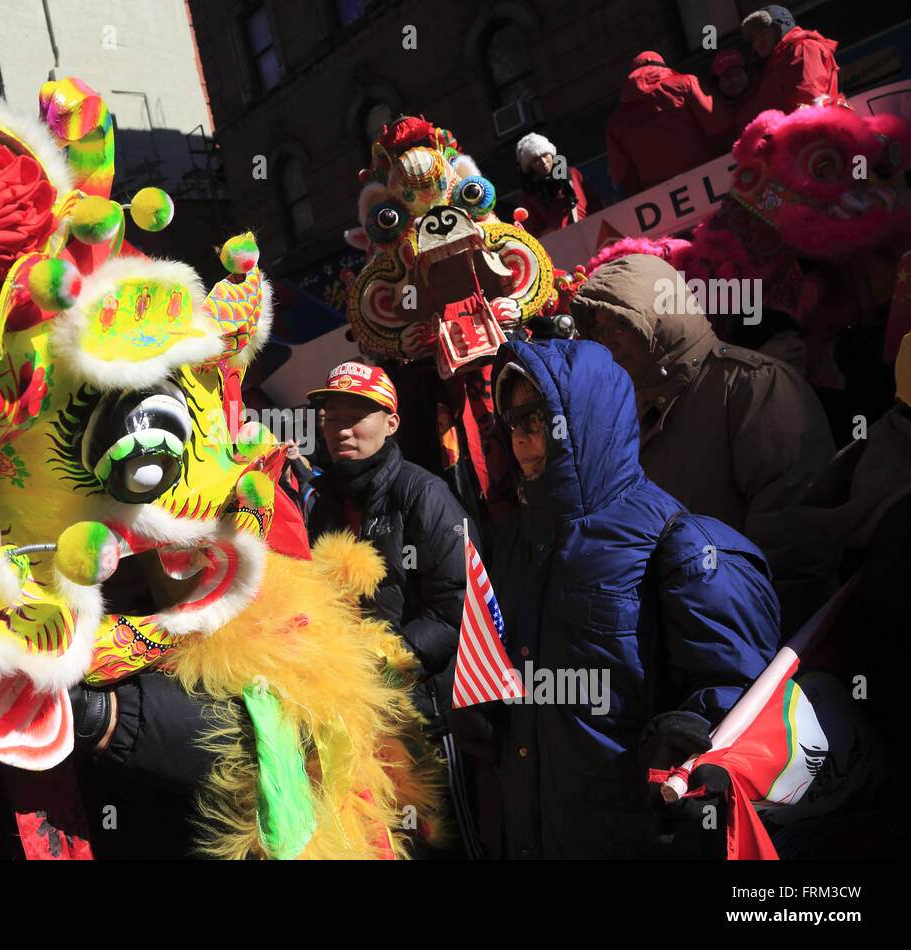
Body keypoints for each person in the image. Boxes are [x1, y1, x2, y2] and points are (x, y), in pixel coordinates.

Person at [465, 338, 779, 859]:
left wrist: (688, 734)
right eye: (511, 419)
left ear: (583, 419)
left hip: (633, 836)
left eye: (536, 418)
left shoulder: (680, 542)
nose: (518, 436)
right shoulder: (516, 542)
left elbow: (740, 702)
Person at [572, 254, 837, 635]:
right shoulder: (623, 407)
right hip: (688, 645)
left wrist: (754, 637)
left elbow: (795, 538)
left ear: (662, 317)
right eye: (598, 330)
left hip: (759, 640)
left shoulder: (753, 386)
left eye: (621, 324)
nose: (608, 342)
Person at [303, 360, 480, 857]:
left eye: (358, 413)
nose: (342, 427)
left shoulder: (424, 494)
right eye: (332, 415)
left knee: (446, 846)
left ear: (392, 423)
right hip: (356, 722)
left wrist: (384, 660)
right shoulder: (323, 503)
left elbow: (456, 610)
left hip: (427, 716)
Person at [607, 51, 724, 195]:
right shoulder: (686, 84)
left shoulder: (616, 123)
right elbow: (719, 126)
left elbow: (620, 175)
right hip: (709, 183)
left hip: (662, 201)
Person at [739, 6, 839, 116]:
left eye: (764, 33)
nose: (758, 42)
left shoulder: (803, 48)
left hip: (814, 130)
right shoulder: (772, 65)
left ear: (781, 28)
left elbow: (808, 102)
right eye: (754, 38)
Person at [513, 132, 601, 238]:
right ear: (529, 166)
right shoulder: (526, 195)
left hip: (591, 232)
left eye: (545, 155)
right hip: (559, 243)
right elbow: (533, 228)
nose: (543, 161)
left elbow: (594, 202)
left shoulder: (572, 174)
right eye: (536, 160)